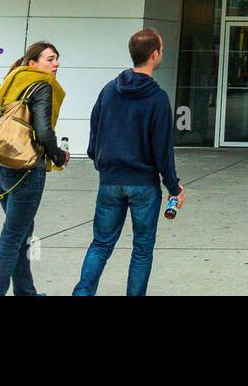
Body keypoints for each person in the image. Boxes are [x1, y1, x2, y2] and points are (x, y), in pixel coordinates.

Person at [73, 28, 184, 296]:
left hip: (110, 181)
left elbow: (94, 132)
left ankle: (82, 293)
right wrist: (174, 187)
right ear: (155, 54)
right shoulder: (158, 98)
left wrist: (102, 162)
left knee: (100, 244)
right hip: (144, 185)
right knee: (142, 249)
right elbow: (162, 149)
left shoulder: (109, 90)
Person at [0, 41, 70, 296]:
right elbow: (43, 131)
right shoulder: (41, 86)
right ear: (33, 64)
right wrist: (59, 156)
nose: (56, 64)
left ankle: (26, 293)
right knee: (11, 241)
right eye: (50, 59)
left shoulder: (12, 83)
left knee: (21, 235)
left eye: (57, 58)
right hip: (25, 172)